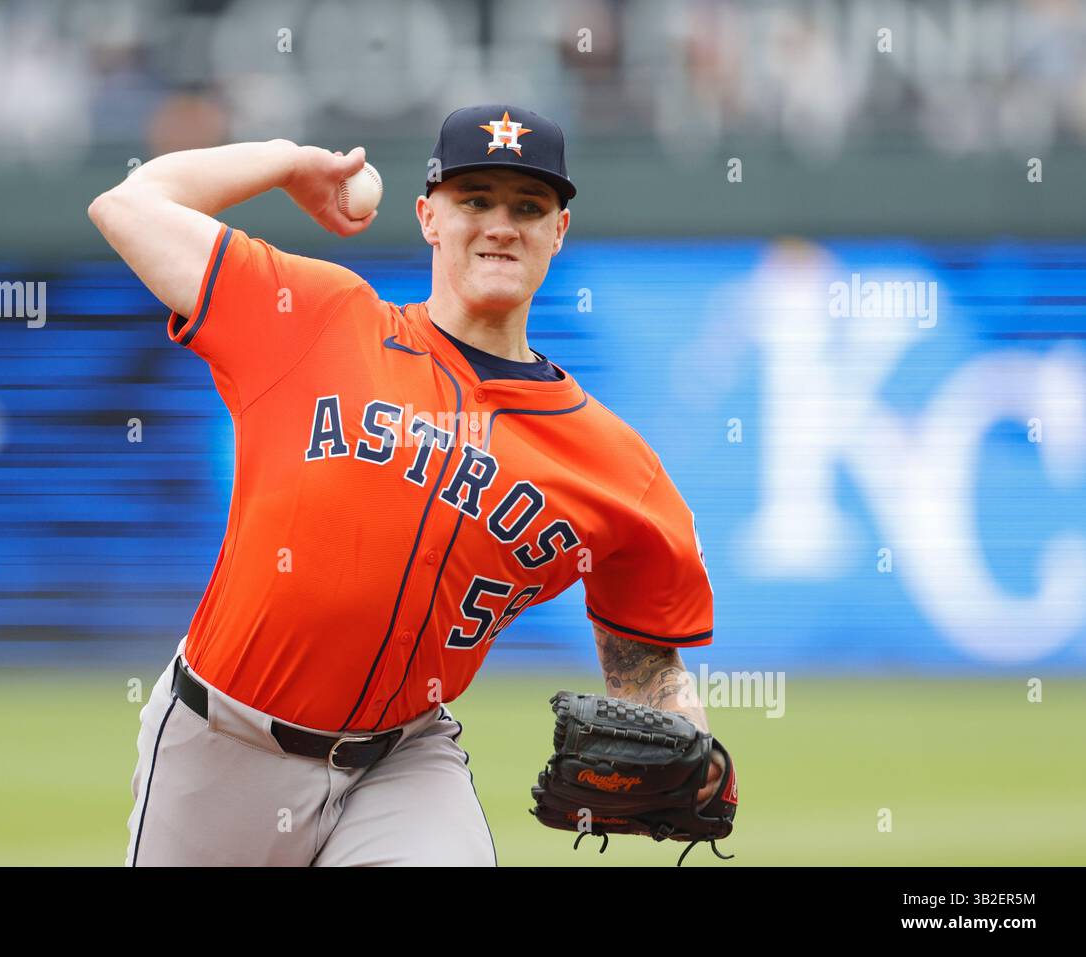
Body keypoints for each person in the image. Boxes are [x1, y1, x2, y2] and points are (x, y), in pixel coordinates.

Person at [88, 104, 725, 866]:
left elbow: (648, 663)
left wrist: (695, 745)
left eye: (529, 206)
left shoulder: (618, 469)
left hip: (402, 764)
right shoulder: (314, 318)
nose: (500, 224)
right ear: (428, 216)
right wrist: (289, 160)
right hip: (220, 741)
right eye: (475, 199)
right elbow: (128, 205)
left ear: (559, 231)